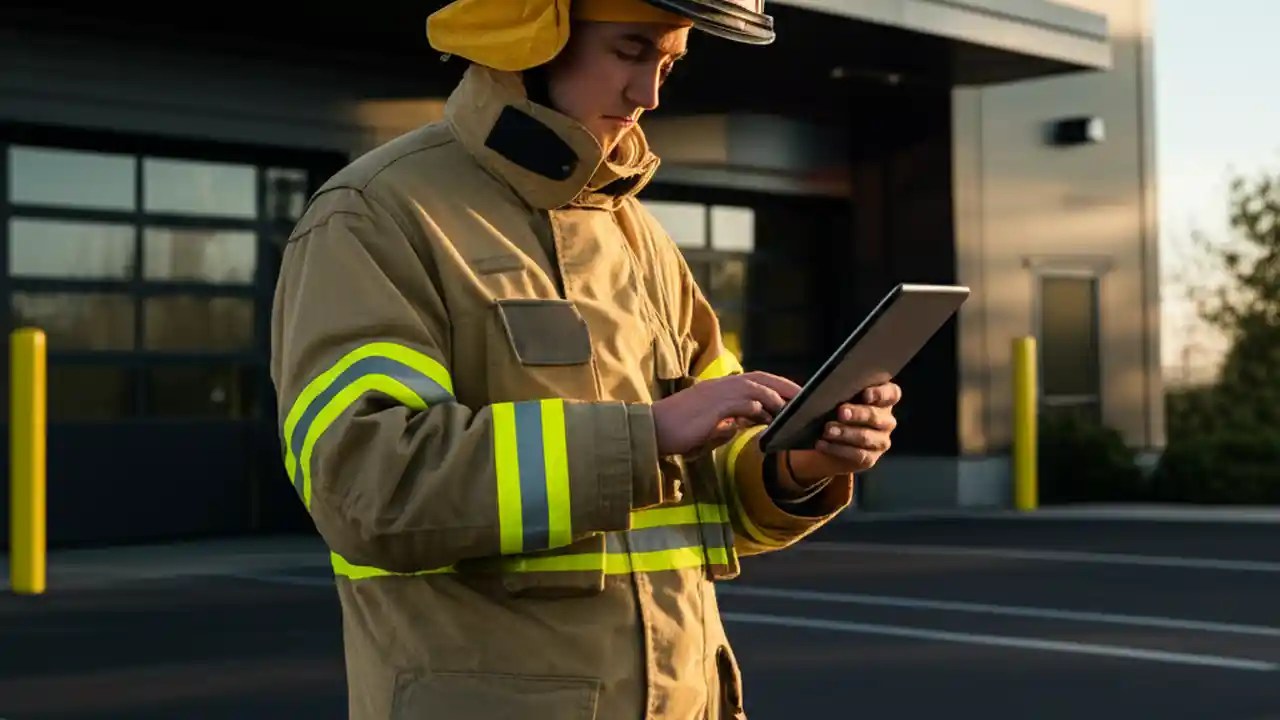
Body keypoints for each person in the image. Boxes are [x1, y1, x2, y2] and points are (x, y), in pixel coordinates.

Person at [269, 0, 902, 717]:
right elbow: (368, 487)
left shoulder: (643, 240)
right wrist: (647, 435)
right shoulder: (376, 214)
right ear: (530, 38)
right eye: (630, 51)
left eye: (669, 64)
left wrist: (796, 466)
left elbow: (705, 490)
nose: (650, 94)